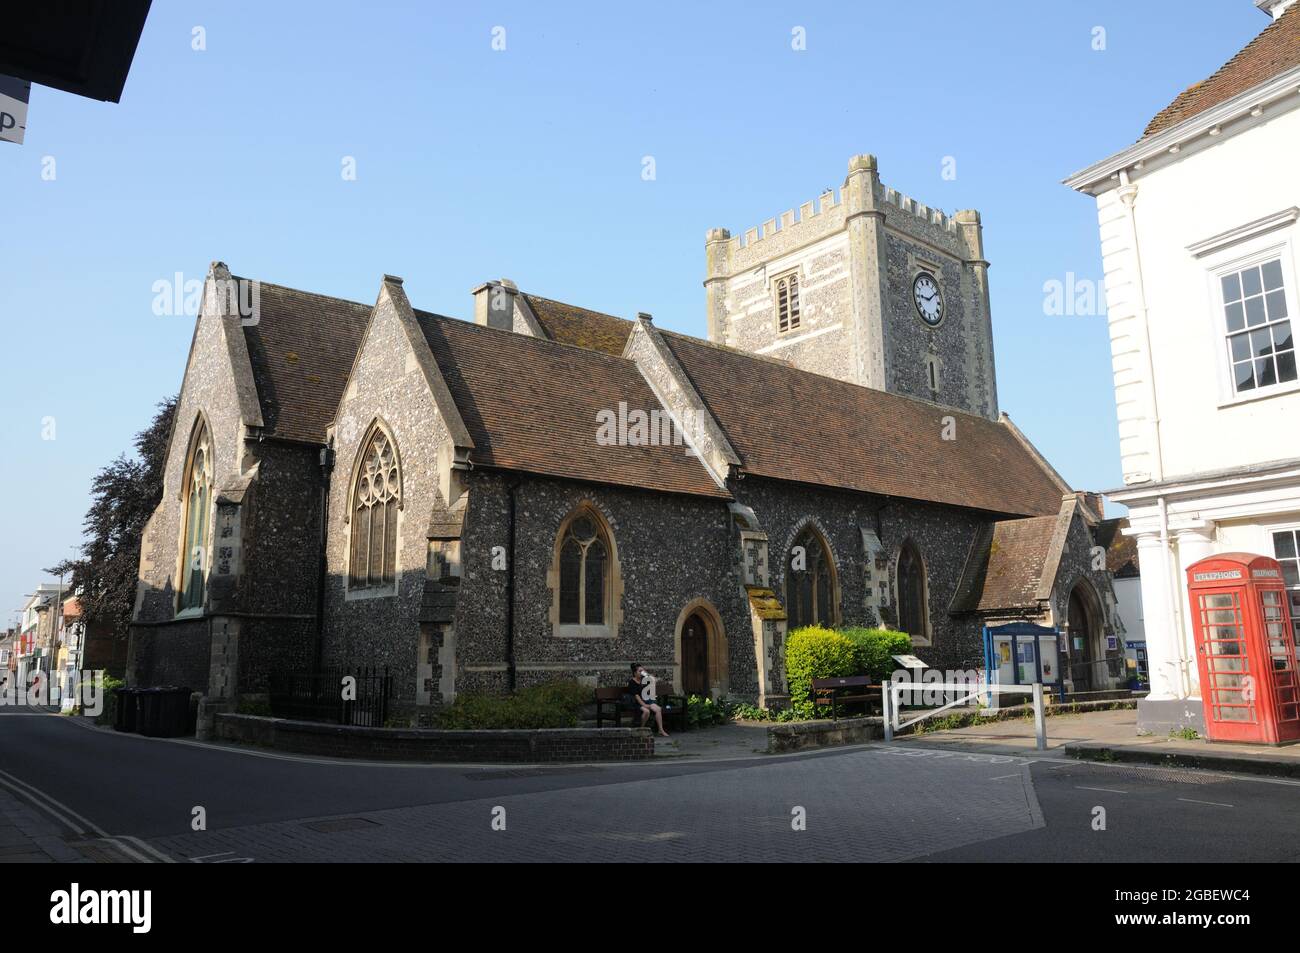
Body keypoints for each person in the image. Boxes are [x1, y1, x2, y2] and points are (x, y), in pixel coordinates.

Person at [626, 662, 668, 737]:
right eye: (640, 671)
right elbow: (637, 697)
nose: (641, 673)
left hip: (646, 700)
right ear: (635, 673)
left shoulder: (644, 679)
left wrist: (646, 674)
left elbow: (654, 679)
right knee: (646, 711)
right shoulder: (632, 683)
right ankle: (641, 729)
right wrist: (644, 705)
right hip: (637, 703)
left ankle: (660, 730)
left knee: (658, 709)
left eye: (643, 671)